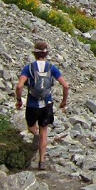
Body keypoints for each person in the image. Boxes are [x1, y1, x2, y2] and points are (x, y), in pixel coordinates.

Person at [15, 39, 69, 170]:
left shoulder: (29, 68)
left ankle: (36, 136)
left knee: (31, 127)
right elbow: (66, 86)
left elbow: (19, 86)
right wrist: (63, 101)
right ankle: (42, 161)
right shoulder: (51, 68)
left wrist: (19, 100)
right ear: (46, 54)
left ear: (34, 53)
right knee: (44, 130)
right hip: (47, 103)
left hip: (32, 104)